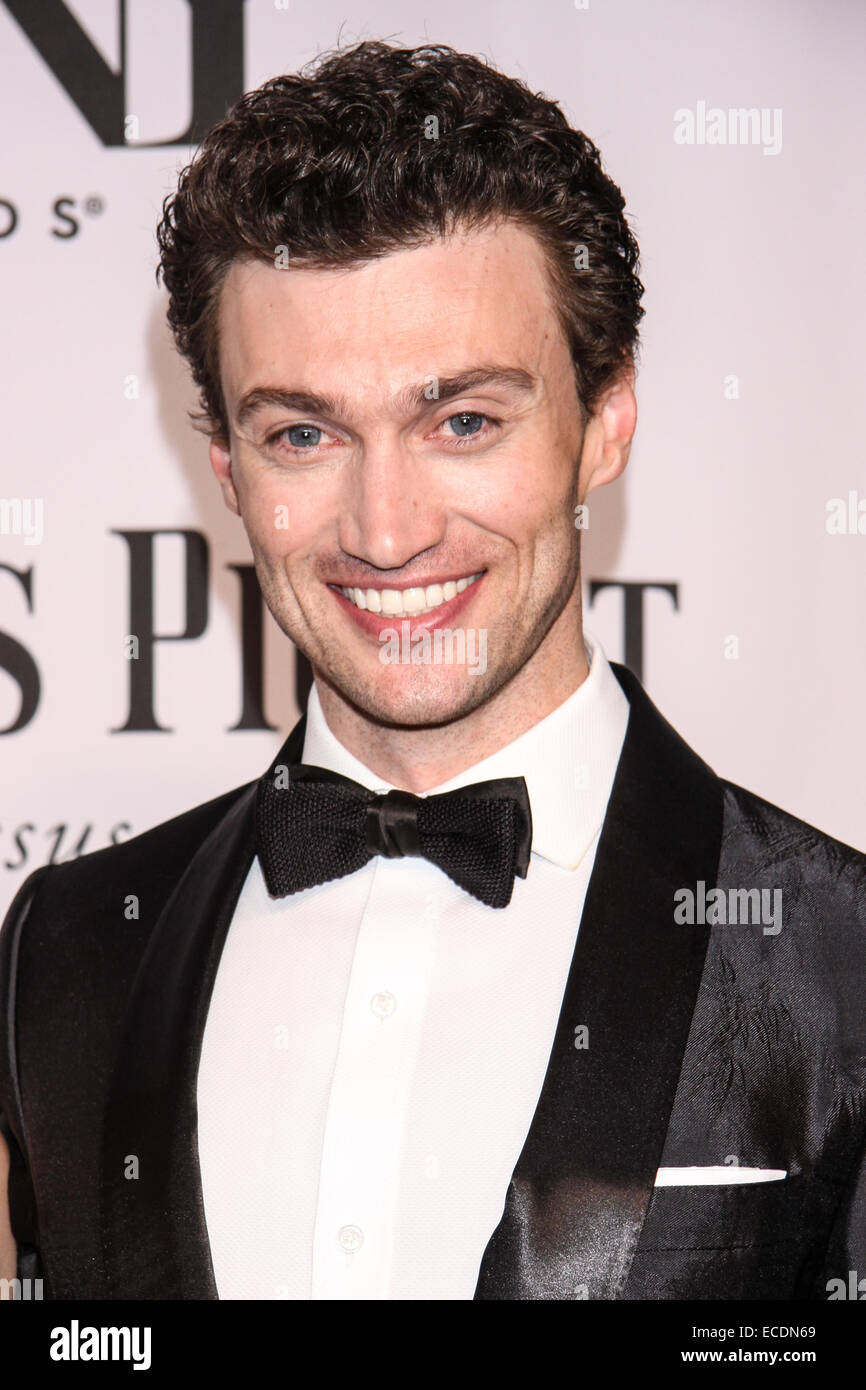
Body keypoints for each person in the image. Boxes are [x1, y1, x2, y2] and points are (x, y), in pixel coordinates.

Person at [1, 39, 864, 1302]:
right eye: (303, 432)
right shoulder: (63, 956)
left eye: (461, 420)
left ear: (603, 422)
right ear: (230, 470)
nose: (385, 526)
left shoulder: (835, 959)